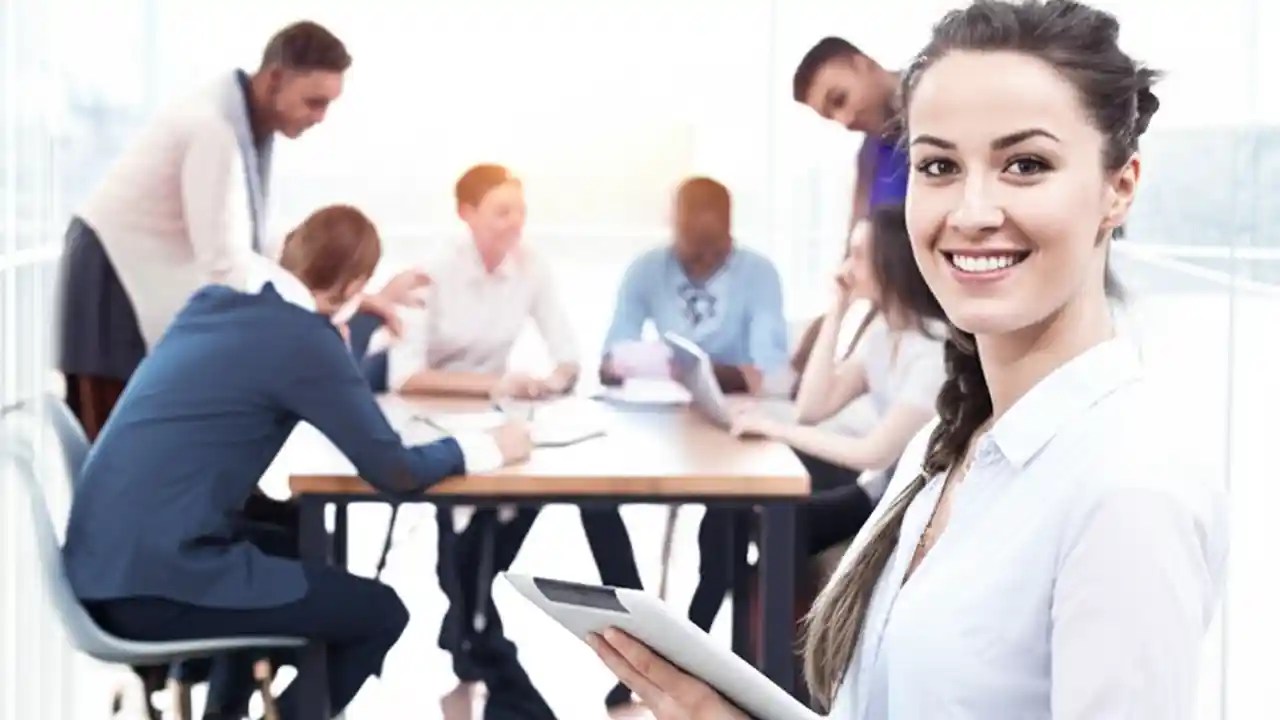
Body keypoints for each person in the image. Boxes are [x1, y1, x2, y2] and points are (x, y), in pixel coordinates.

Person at [587, 2, 1228, 718]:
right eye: (939, 166)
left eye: (1026, 164)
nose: (971, 210)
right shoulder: (945, 445)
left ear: (1120, 187)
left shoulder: (1126, 489)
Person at [61, 205, 532, 720]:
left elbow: (310, 372)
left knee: (294, 543)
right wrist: (487, 447)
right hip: (153, 585)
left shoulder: (214, 302)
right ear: (356, 283)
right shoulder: (304, 340)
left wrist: (353, 313)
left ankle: (225, 711)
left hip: (104, 567)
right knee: (379, 614)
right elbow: (395, 471)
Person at [54, 19, 420, 440]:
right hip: (109, 280)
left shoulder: (251, 129)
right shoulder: (214, 129)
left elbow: (257, 243)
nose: (320, 118)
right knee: (110, 439)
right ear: (276, 79)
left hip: (134, 275)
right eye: (314, 102)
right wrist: (312, 317)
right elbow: (225, 264)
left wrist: (348, 297)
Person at [380, 163, 643, 715]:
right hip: (433, 424)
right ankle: (474, 632)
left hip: (500, 424)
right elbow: (403, 376)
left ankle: (482, 630)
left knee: (581, 493)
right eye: (501, 211)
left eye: (520, 210)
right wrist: (495, 382)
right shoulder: (432, 272)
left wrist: (555, 378)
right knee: (473, 537)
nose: (515, 223)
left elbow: (567, 351)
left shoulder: (531, 266)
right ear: (466, 214)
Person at [684, 203, 947, 639]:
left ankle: (775, 670)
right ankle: (701, 635)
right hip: (877, 488)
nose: (848, 266)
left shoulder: (933, 352)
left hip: (903, 504)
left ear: (893, 261)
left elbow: (875, 452)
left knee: (782, 523)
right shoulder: (884, 335)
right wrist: (838, 311)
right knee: (728, 508)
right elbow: (812, 406)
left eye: (860, 254)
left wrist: (774, 427)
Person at [600, 176, 789, 395]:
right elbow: (611, 361)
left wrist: (664, 367)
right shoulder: (646, 269)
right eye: (692, 236)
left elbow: (771, 373)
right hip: (667, 408)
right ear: (674, 224)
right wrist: (722, 374)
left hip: (738, 407)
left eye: (712, 240)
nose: (704, 257)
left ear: (729, 228)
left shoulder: (759, 273)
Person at [793, 36, 908, 226]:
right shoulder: (868, 156)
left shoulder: (946, 98)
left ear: (863, 64)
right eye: (831, 117)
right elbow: (858, 241)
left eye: (840, 99)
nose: (845, 121)